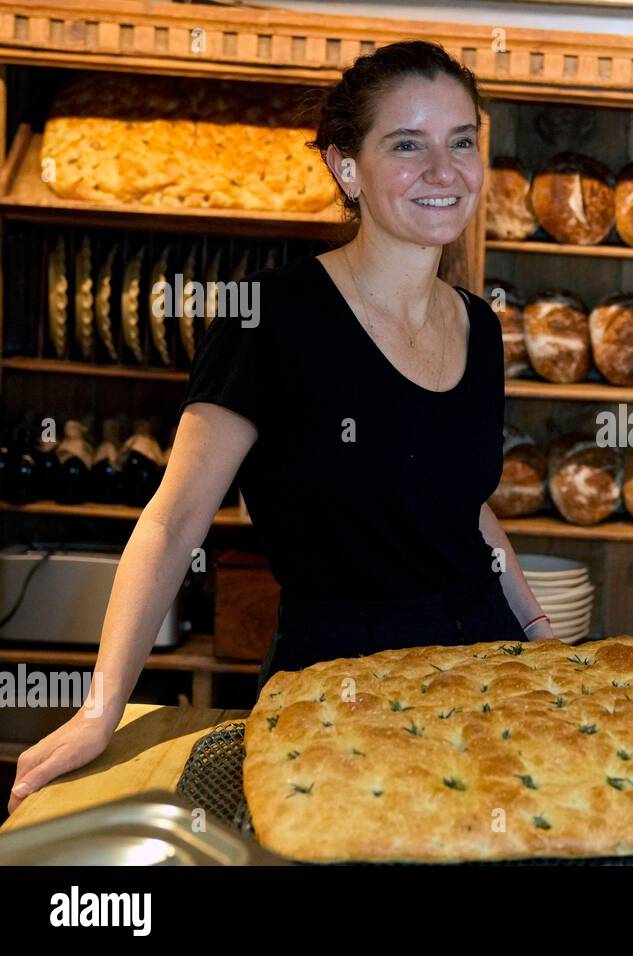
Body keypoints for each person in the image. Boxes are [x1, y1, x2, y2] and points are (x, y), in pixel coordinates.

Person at [8, 40, 552, 815]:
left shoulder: (479, 324)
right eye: (408, 145)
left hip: (486, 669)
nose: (445, 170)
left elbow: (464, 504)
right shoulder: (270, 320)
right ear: (346, 168)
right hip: (339, 683)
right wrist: (101, 708)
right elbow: (173, 522)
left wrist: (537, 635)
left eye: (461, 141)